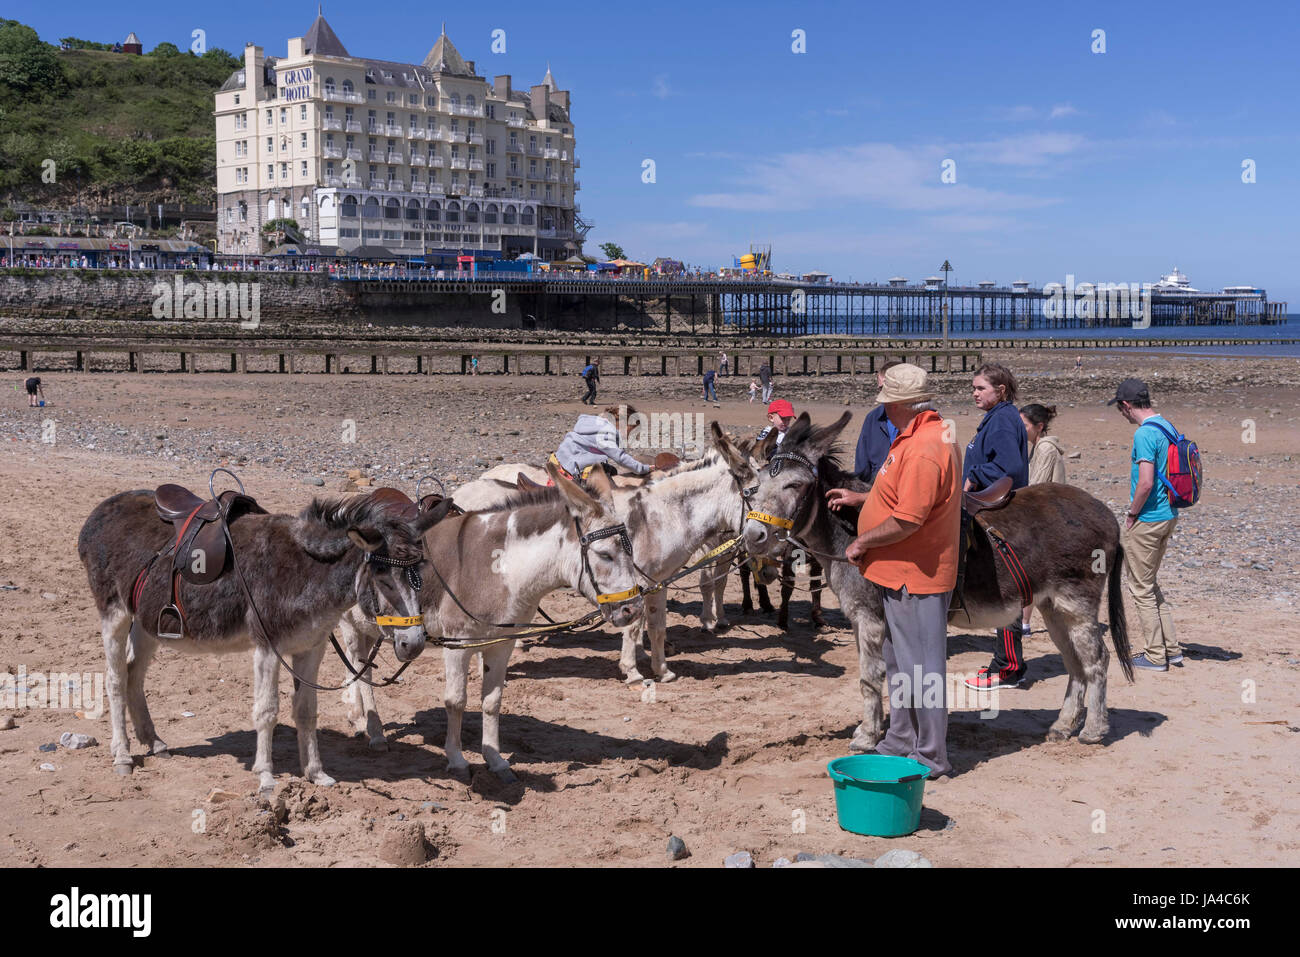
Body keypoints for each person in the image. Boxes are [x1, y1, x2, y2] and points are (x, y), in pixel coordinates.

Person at [828, 364, 960, 778]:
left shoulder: (923, 446)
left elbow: (908, 519)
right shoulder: (919, 435)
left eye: (887, 404)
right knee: (900, 661)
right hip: (898, 572)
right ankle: (901, 737)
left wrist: (862, 541)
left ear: (903, 405)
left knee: (924, 665)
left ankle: (932, 754)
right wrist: (861, 501)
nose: (883, 412)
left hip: (916, 572)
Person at [961, 363, 1030, 691]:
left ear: (1000, 390)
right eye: (973, 388)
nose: (974, 393)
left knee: (1004, 592)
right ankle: (1007, 664)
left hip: (1000, 519)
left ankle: (1007, 669)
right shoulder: (998, 417)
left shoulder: (1002, 418)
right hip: (993, 514)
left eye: (980, 388)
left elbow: (1010, 467)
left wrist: (974, 477)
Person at [1109, 378, 1182, 671]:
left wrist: (1131, 514)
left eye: (1119, 409)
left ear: (1126, 405)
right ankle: (1172, 649)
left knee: (1140, 588)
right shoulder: (1167, 426)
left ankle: (1154, 655)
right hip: (1169, 514)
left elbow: (1146, 482)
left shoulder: (1144, 435)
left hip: (1148, 518)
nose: (1121, 414)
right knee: (1149, 584)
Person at [1018, 403, 1065, 636]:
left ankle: (1024, 623)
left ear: (1039, 426)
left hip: (1045, 519)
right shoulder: (1037, 447)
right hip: (1044, 517)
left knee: (1029, 572)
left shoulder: (1045, 449)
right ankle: (1024, 622)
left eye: (1024, 425)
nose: (1020, 429)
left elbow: (1035, 486)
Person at [552, 410, 653, 483]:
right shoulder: (606, 435)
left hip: (559, 460)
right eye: (631, 432)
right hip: (571, 468)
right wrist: (643, 469)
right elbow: (620, 458)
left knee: (610, 470)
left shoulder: (596, 425)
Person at [853, 359, 904, 485]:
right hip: (876, 496)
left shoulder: (930, 420)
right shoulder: (873, 419)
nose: (882, 395)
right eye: (880, 389)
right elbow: (861, 471)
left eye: (885, 388)